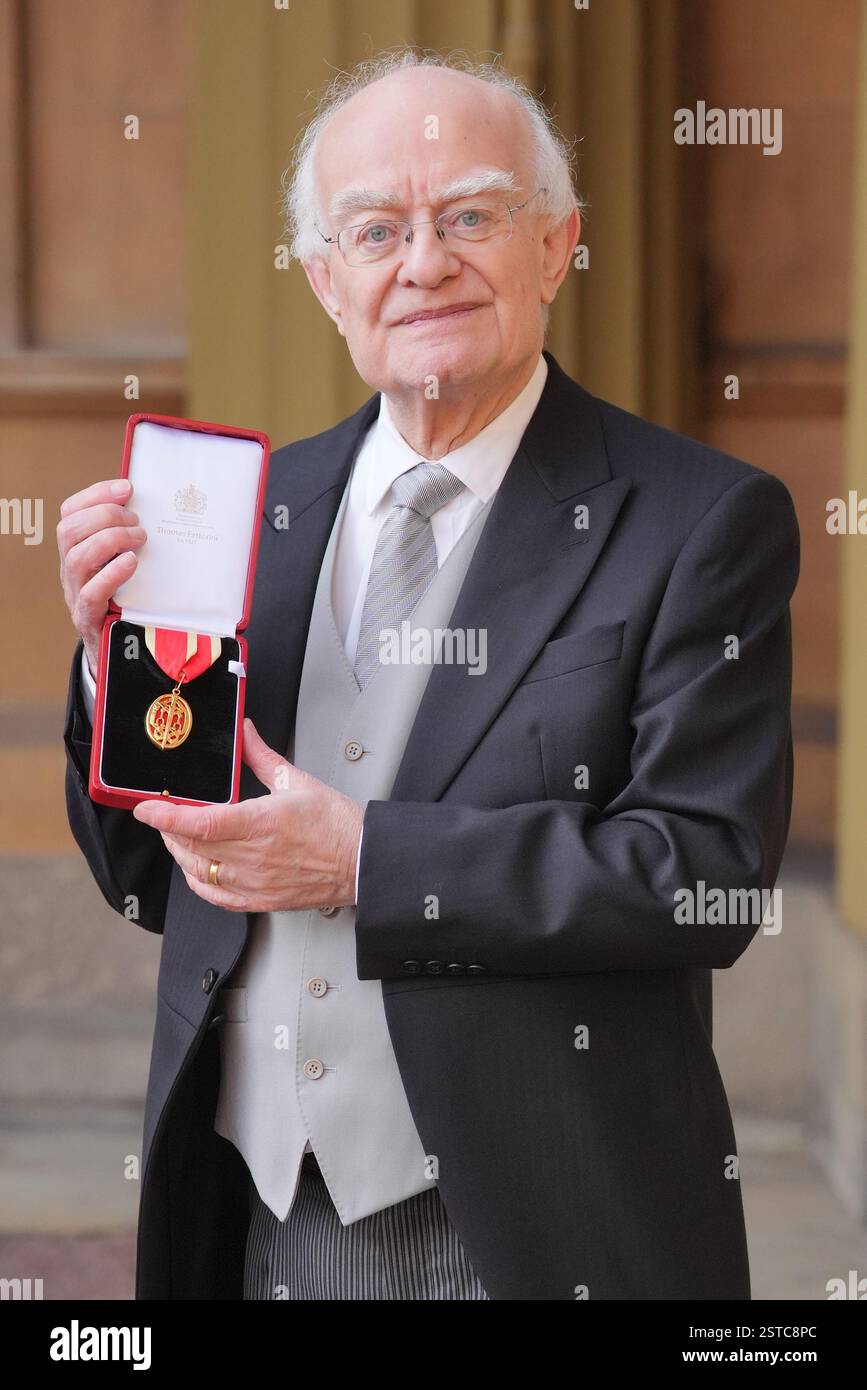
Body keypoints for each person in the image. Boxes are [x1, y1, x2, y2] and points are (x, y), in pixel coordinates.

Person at [59, 48, 799, 1300]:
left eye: (471, 214)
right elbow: (148, 875)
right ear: (322, 279)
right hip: (245, 1214)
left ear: (560, 243)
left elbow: (704, 877)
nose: (424, 261)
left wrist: (362, 859)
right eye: (375, 229)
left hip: (528, 1226)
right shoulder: (255, 514)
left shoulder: (700, 519)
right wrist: (114, 685)